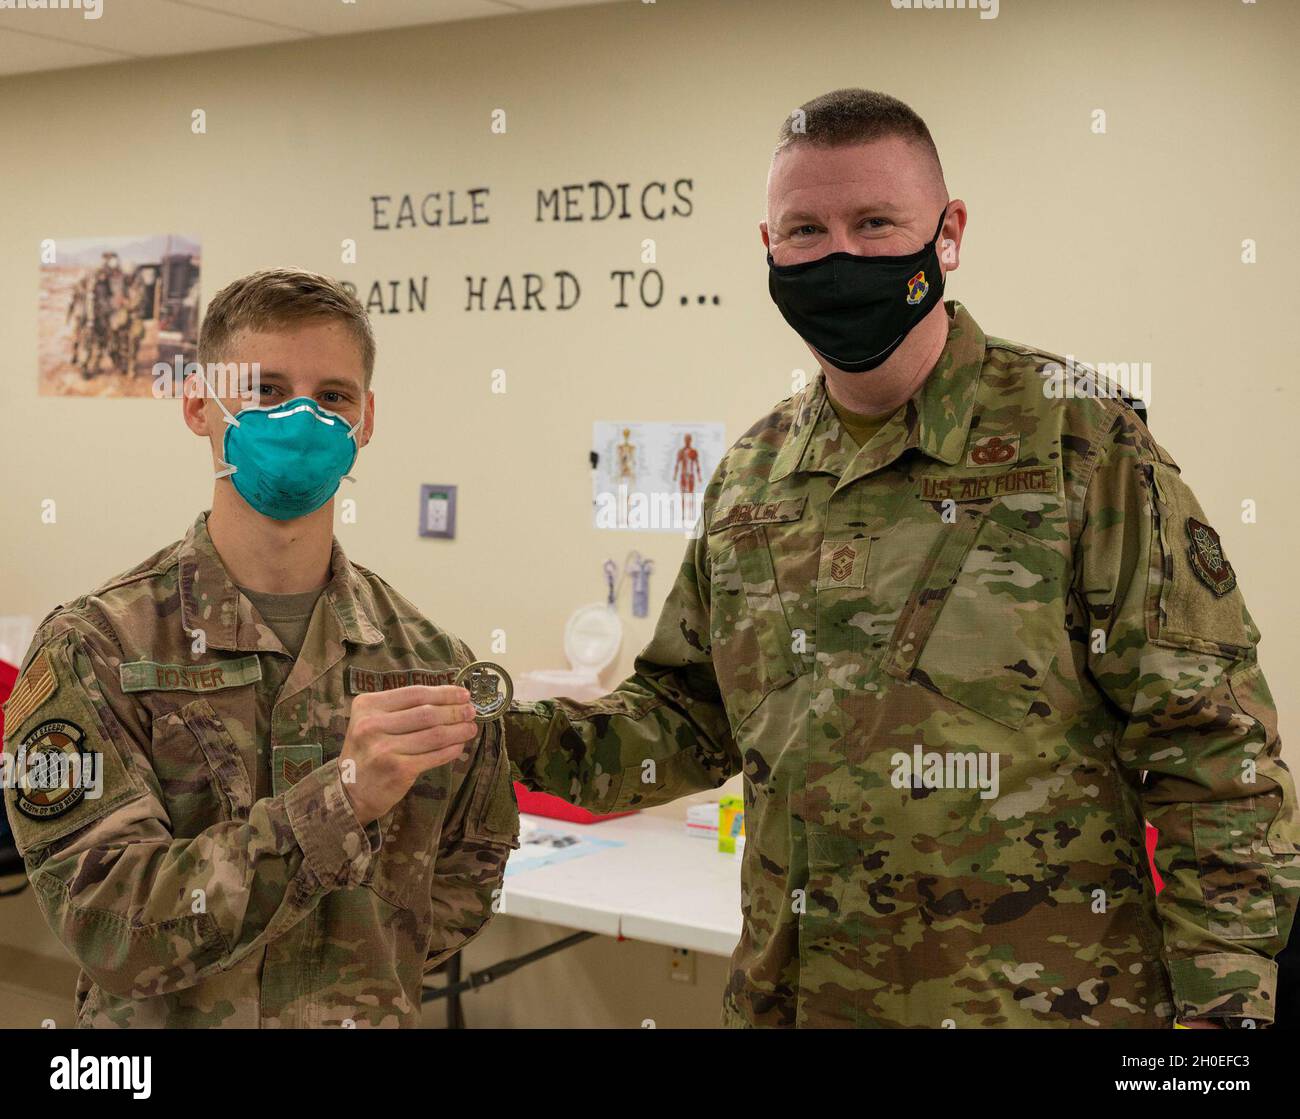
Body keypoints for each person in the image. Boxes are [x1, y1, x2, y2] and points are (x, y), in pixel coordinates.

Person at [504, 89, 1299, 1028]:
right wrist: (488, 731)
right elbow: (685, 716)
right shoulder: (752, 477)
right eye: (804, 230)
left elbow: (1213, 746)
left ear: (947, 232)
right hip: (794, 1001)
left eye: (875, 223)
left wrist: (1225, 1017)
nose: (838, 256)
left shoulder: (1081, 442)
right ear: (768, 249)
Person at [2, 269, 518, 1027]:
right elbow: (107, 925)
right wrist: (339, 803)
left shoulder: (429, 658)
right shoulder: (94, 649)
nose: (302, 417)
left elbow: (471, 869)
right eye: (267, 390)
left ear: (366, 418)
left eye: (333, 396)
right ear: (197, 403)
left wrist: (348, 973)